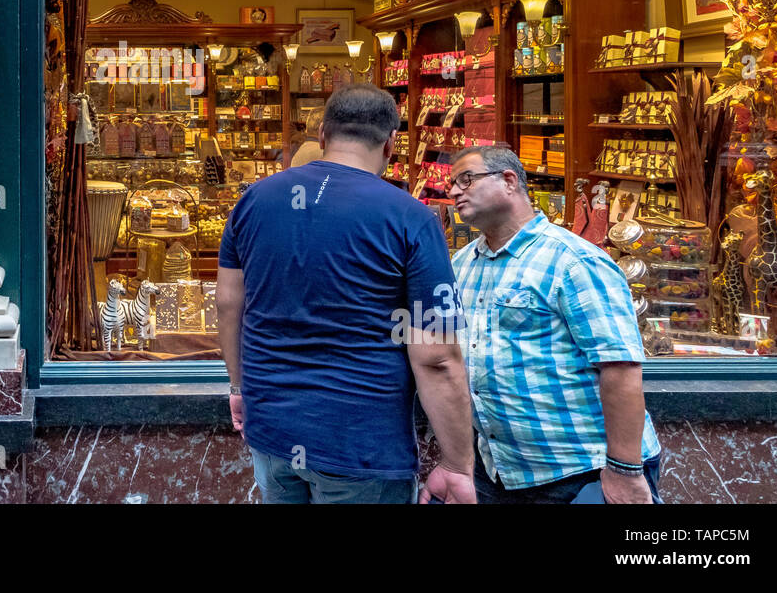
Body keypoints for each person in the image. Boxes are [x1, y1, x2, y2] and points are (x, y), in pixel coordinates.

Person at [217, 83, 476, 504]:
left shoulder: (253, 201)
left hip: (273, 433)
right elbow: (438, 358)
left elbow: (229, 305)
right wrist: (457, 465)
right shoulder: (412, 218)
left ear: (322, 135)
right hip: (362, 447)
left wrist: (237, 387)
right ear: (391, 143)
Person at [445, 145, 661, 504]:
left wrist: (624, 470)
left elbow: (621, 367)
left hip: (579, 471)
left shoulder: (575, 261)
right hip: (499, 468)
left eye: (466, 180)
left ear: (510, 181)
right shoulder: (462, 263)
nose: (454, 191)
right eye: (452, 183)